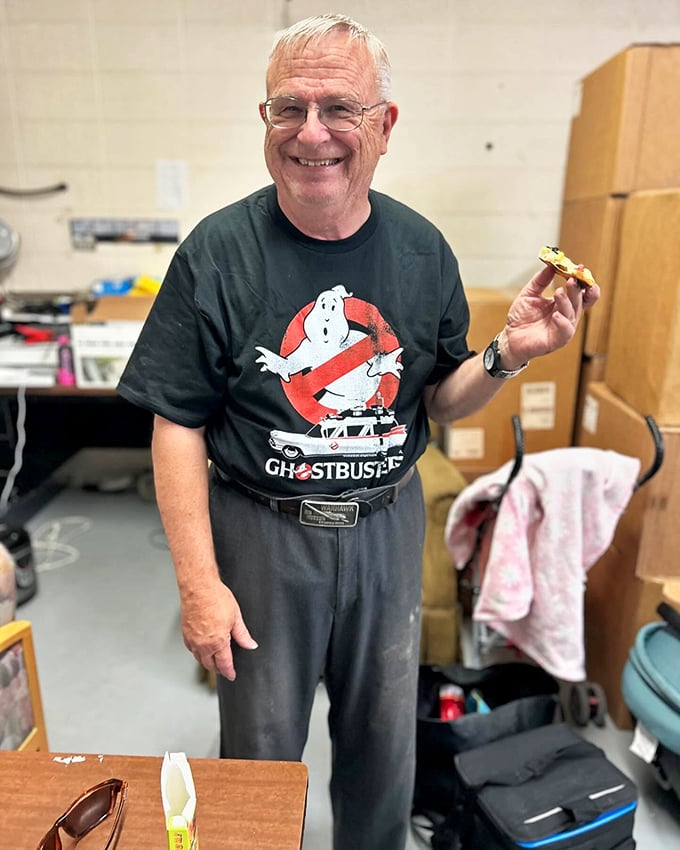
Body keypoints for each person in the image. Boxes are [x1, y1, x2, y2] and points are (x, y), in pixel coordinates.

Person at [117, 13, 599, 850]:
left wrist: (507, 353)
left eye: (338, 107)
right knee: (261, 748)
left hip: (384, 526)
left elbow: (439, 405)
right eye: (286, 109)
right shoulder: (218, 254)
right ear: (263, 122)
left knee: (384, 747)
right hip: (261, 532)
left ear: (385, 124)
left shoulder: (420, 253)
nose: (312, 133)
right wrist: (199, 584)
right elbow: (178, 423)